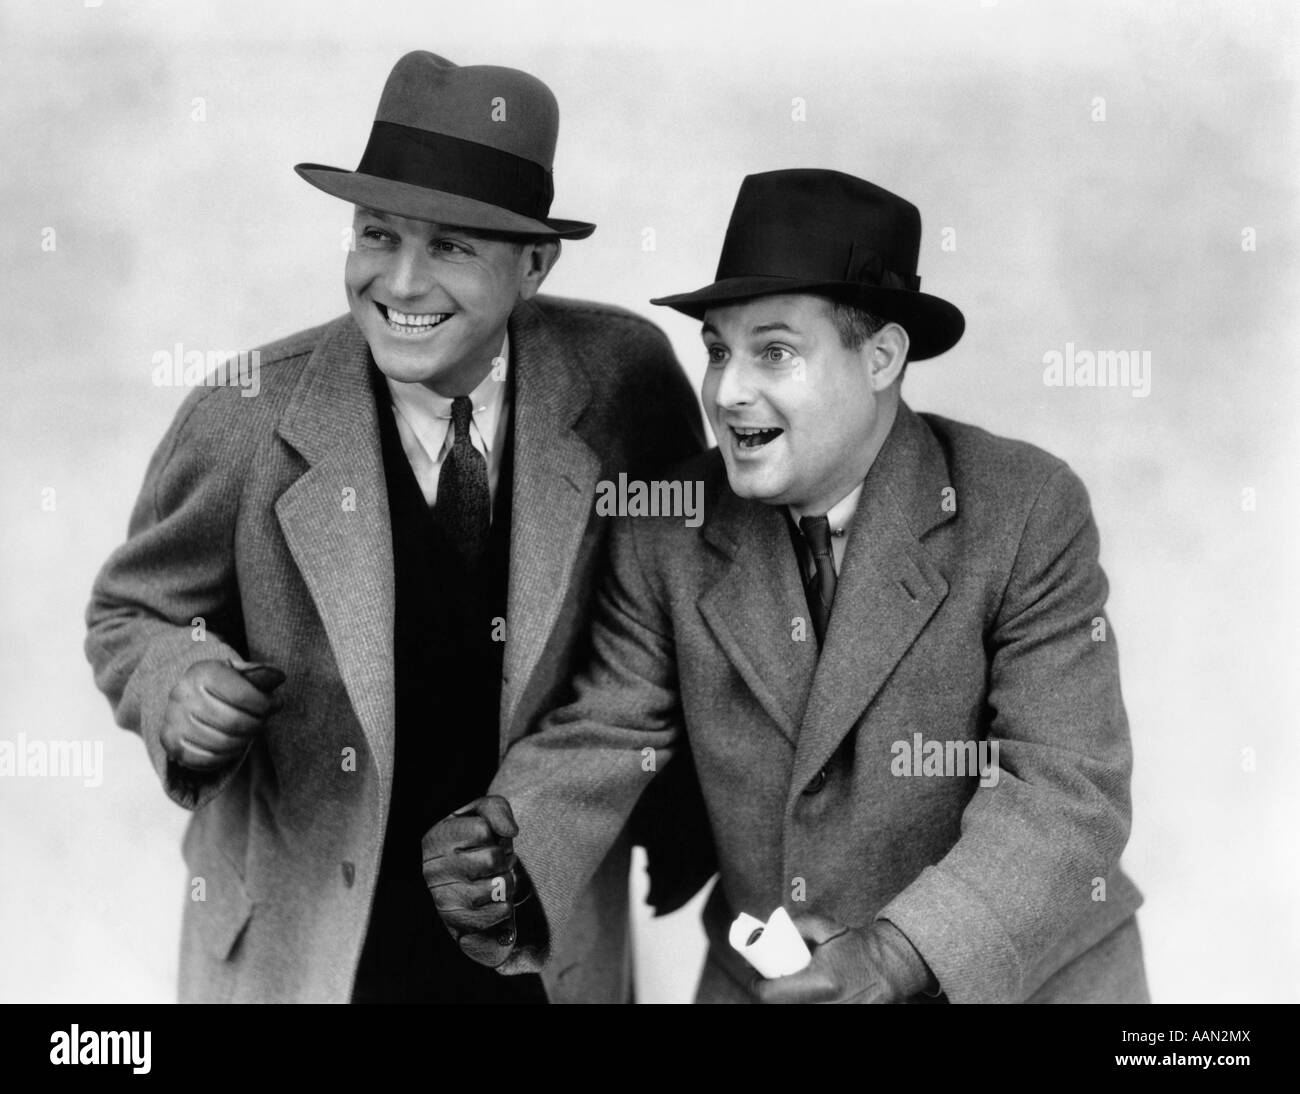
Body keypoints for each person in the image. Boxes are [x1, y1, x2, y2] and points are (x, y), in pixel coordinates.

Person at [422, 169, 1149, 1003]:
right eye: (719, 351)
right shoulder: (670, 525)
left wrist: (898, 953)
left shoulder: (1023, 508)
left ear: (881, 357)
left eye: (774, 351)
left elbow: (1066, 787)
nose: (728, 392)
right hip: (764, 975)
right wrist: (511, 851)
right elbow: (610, 731)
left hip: (1020, 978)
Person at [84, 50, 709, 1003]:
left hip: (537, 939)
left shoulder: (628, 382)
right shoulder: (247, 413)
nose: (402, 283)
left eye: (454, 246)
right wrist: (180, 685)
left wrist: (680, 815)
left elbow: (671, 621)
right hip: (309, 942)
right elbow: (130, 613)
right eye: (378, 234)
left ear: (536, 263)